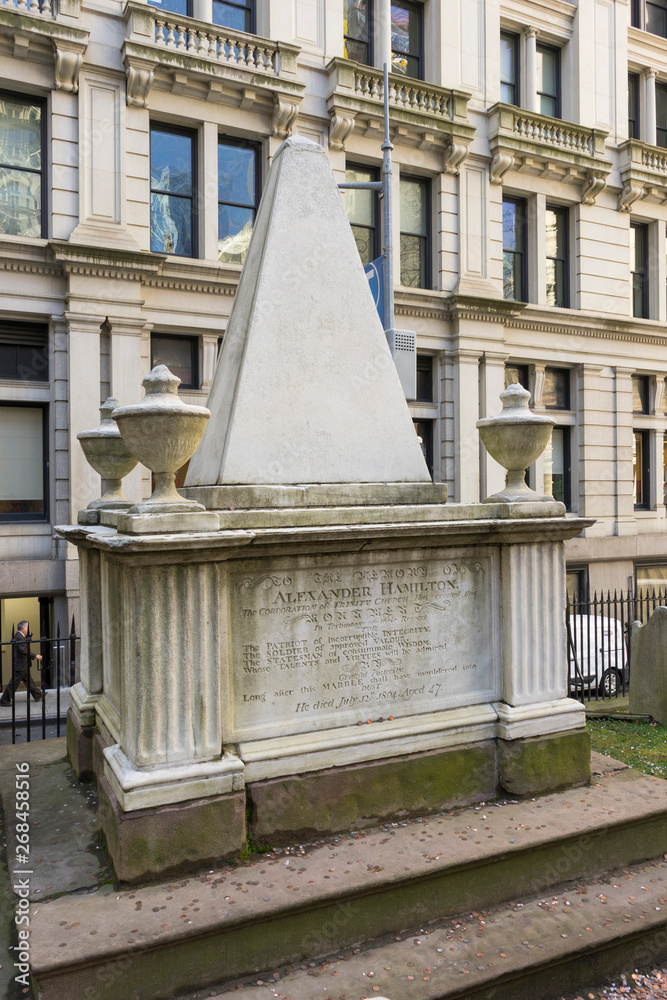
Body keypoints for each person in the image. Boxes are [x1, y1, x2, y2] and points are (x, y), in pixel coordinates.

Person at [0, 621, 43, 706]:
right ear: (24, 628)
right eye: (28, 627)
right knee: (14, 683)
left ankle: (37, 695)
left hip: (23, 664)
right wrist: (35, 656)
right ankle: (4, 700)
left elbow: (27, 642)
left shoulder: (21, 636)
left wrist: (30, 633)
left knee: (29, 681)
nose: (29, 629)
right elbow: (23, 650)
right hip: (20, 665)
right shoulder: (19, 637)